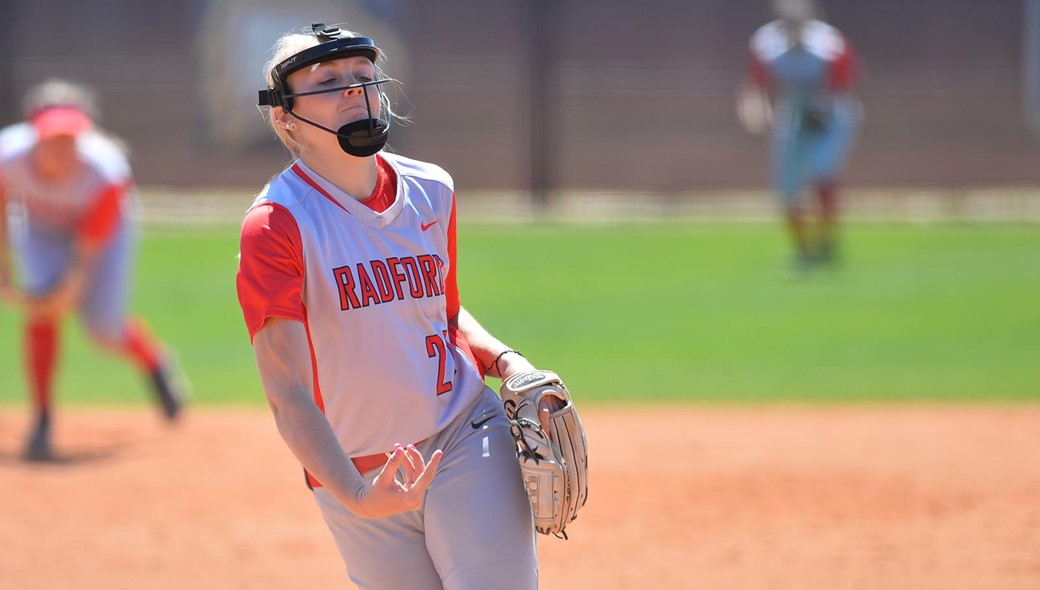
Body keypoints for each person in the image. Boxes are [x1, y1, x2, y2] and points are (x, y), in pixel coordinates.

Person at [237, 23, 549, 588]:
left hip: (461, 431)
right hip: (351, 469)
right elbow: (287, 393)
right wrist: (357, 495)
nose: (353, 89)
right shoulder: (278, 224)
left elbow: (443, 316)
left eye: (363, 76)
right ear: (285, 116)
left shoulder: (432, 190)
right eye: (328, 80)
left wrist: (508, 363)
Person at [0, 79, 186, 461]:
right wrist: (4, 272)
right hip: (40, 228)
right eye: (53, 140)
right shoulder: (8, 157)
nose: (62, 148)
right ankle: (42, 419)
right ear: (36, 138)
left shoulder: (104, 169)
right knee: (42, 312)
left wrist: (73, 282)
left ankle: (156, 362)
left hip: (105, 233)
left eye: (70, 140)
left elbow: (87, 248)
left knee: (103, 328)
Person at [739, 0, 862, 272]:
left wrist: (823, 104)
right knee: (786, 187)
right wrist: (756, 108)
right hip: (793, 110)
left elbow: (847, 82)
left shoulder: (828, 42)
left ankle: (827, 242)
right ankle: (803, 250)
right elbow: (754, 85)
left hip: (831, 113)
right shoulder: (767, 41)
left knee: (822, 170)